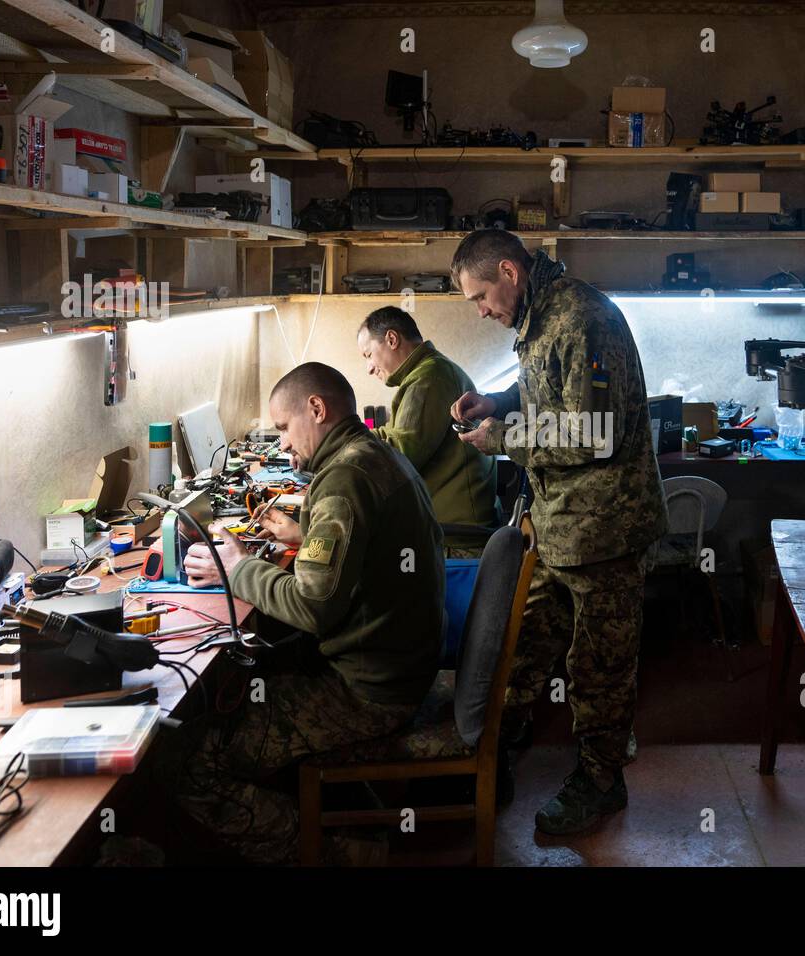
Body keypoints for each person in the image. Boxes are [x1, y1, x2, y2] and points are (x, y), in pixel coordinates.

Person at [174, 362, 445, 864]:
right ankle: (349, 822)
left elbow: (312, 606)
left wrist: (235, 568)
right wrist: (306, 535)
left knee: (194, 761)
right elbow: (372, 546)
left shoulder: (343, 477)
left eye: (282, 427)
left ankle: (336, 851)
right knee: (257, 673)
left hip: (370, 691)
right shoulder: (372, 454)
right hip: (401, 664)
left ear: (316, 409)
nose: (281, 445)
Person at [448, 229, 668, 835]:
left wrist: (503, 442)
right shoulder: (541, 314)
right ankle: (496, 759)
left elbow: (592, 432)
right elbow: (548, 389)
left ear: (509, 272)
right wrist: (497, 401)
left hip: (605, 528)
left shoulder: (583, 315)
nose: (482, 310)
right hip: (555, 522)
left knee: (598, 666)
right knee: (521, 646)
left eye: (481, 296)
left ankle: (600, 782)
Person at [357, 306, 501, 557]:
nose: (369, 368)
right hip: (454, 527)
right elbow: (396, 435)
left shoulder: (430, 377)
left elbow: (400, 453)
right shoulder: (429, 372)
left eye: (369, 354)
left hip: (455, 539)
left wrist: (343, 437)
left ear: (391, 339)